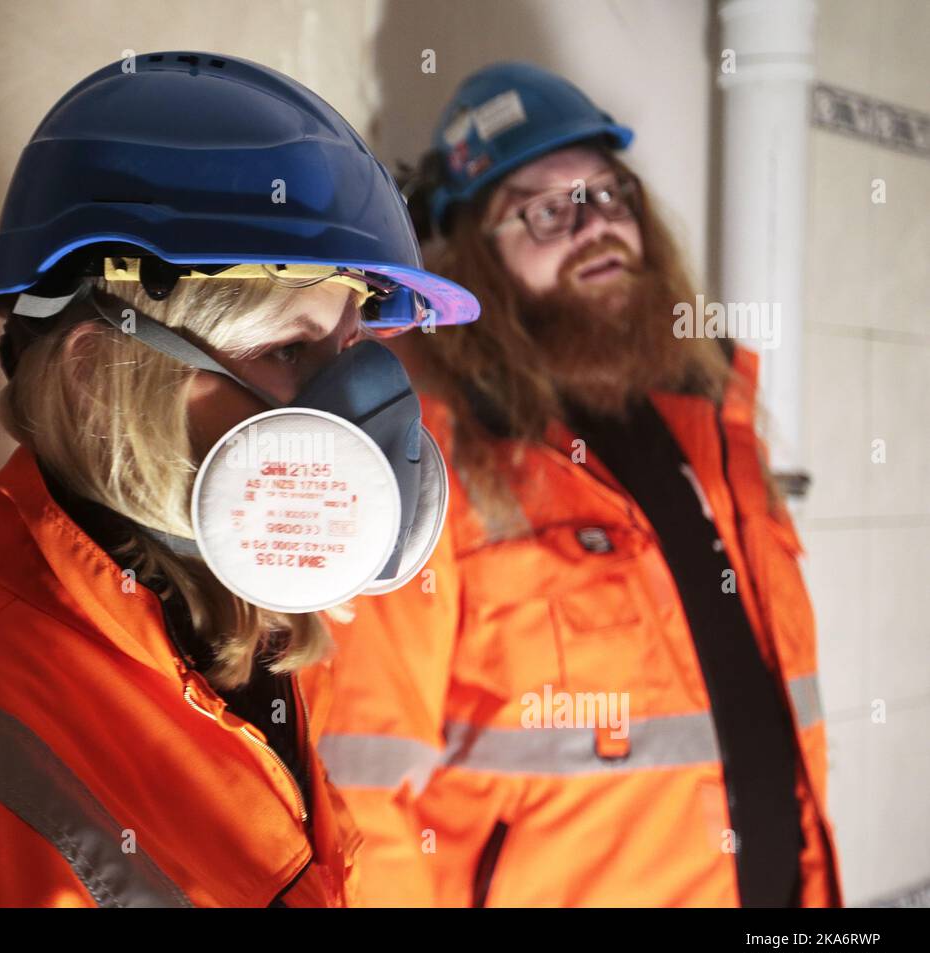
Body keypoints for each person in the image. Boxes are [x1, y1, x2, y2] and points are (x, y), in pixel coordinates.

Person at [0, 51, 478, 908]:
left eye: (354, 349)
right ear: (104, 379)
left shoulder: (232, 655)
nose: (356, 410)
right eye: (289, 351)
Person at [318, 62, 843, 907]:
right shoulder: (426, 451)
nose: (596, 226)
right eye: (547, 209)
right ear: (472, 256)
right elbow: (359, 790)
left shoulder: (713, 423)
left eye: (610, 195)